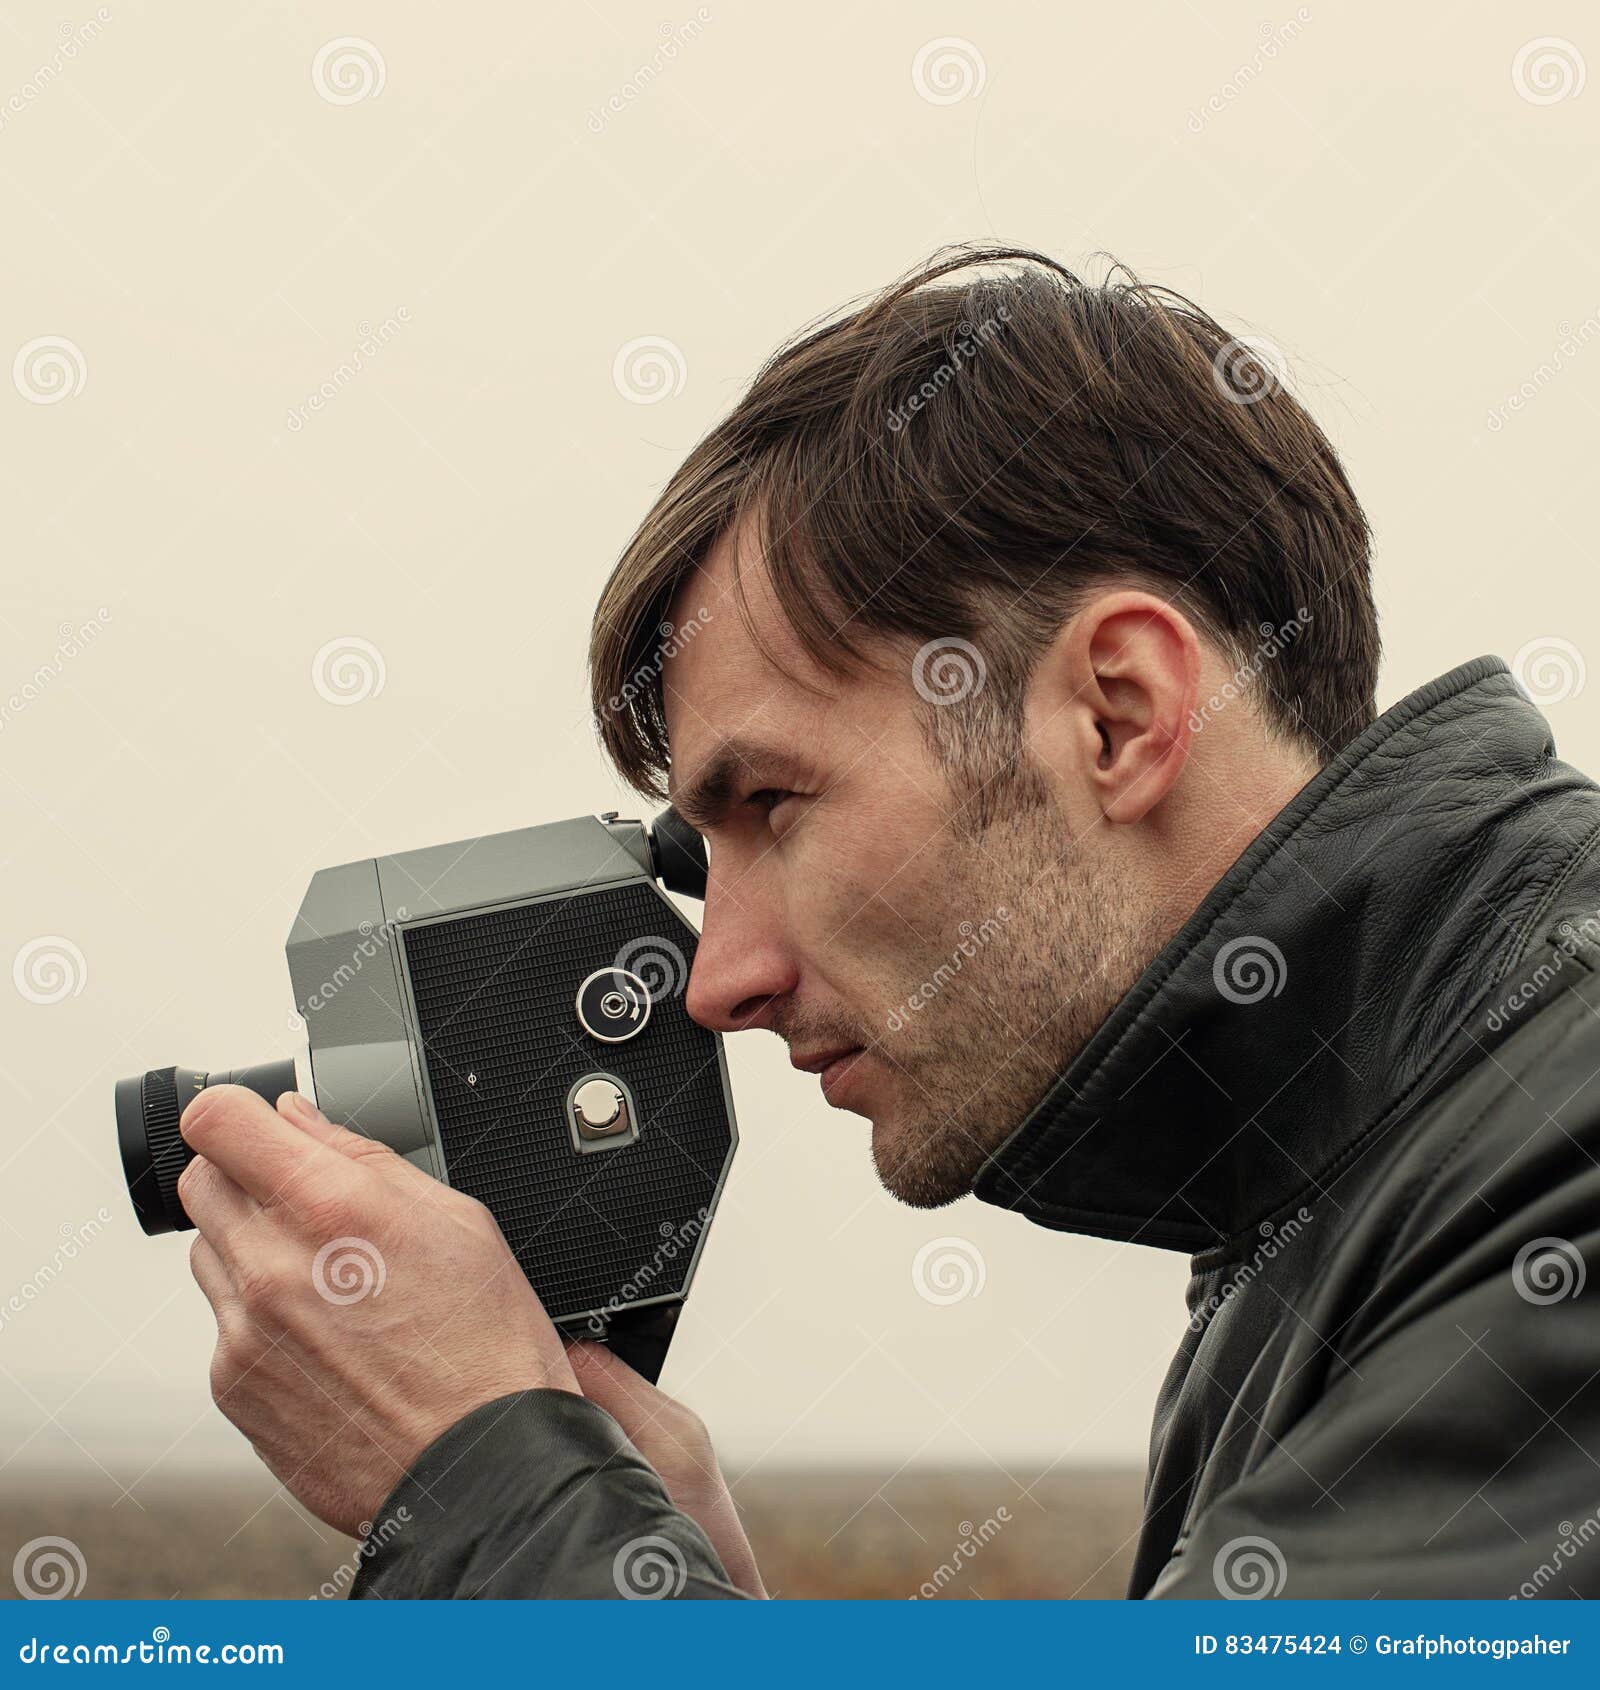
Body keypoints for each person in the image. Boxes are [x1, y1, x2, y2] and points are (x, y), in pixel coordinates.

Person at [177, 248, 1600, 1600]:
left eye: (775, 804)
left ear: (1119, 713)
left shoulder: (1554, 1152)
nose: (715, 979)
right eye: (696, 858)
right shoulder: (1369, 1168)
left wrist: (490, 1489)